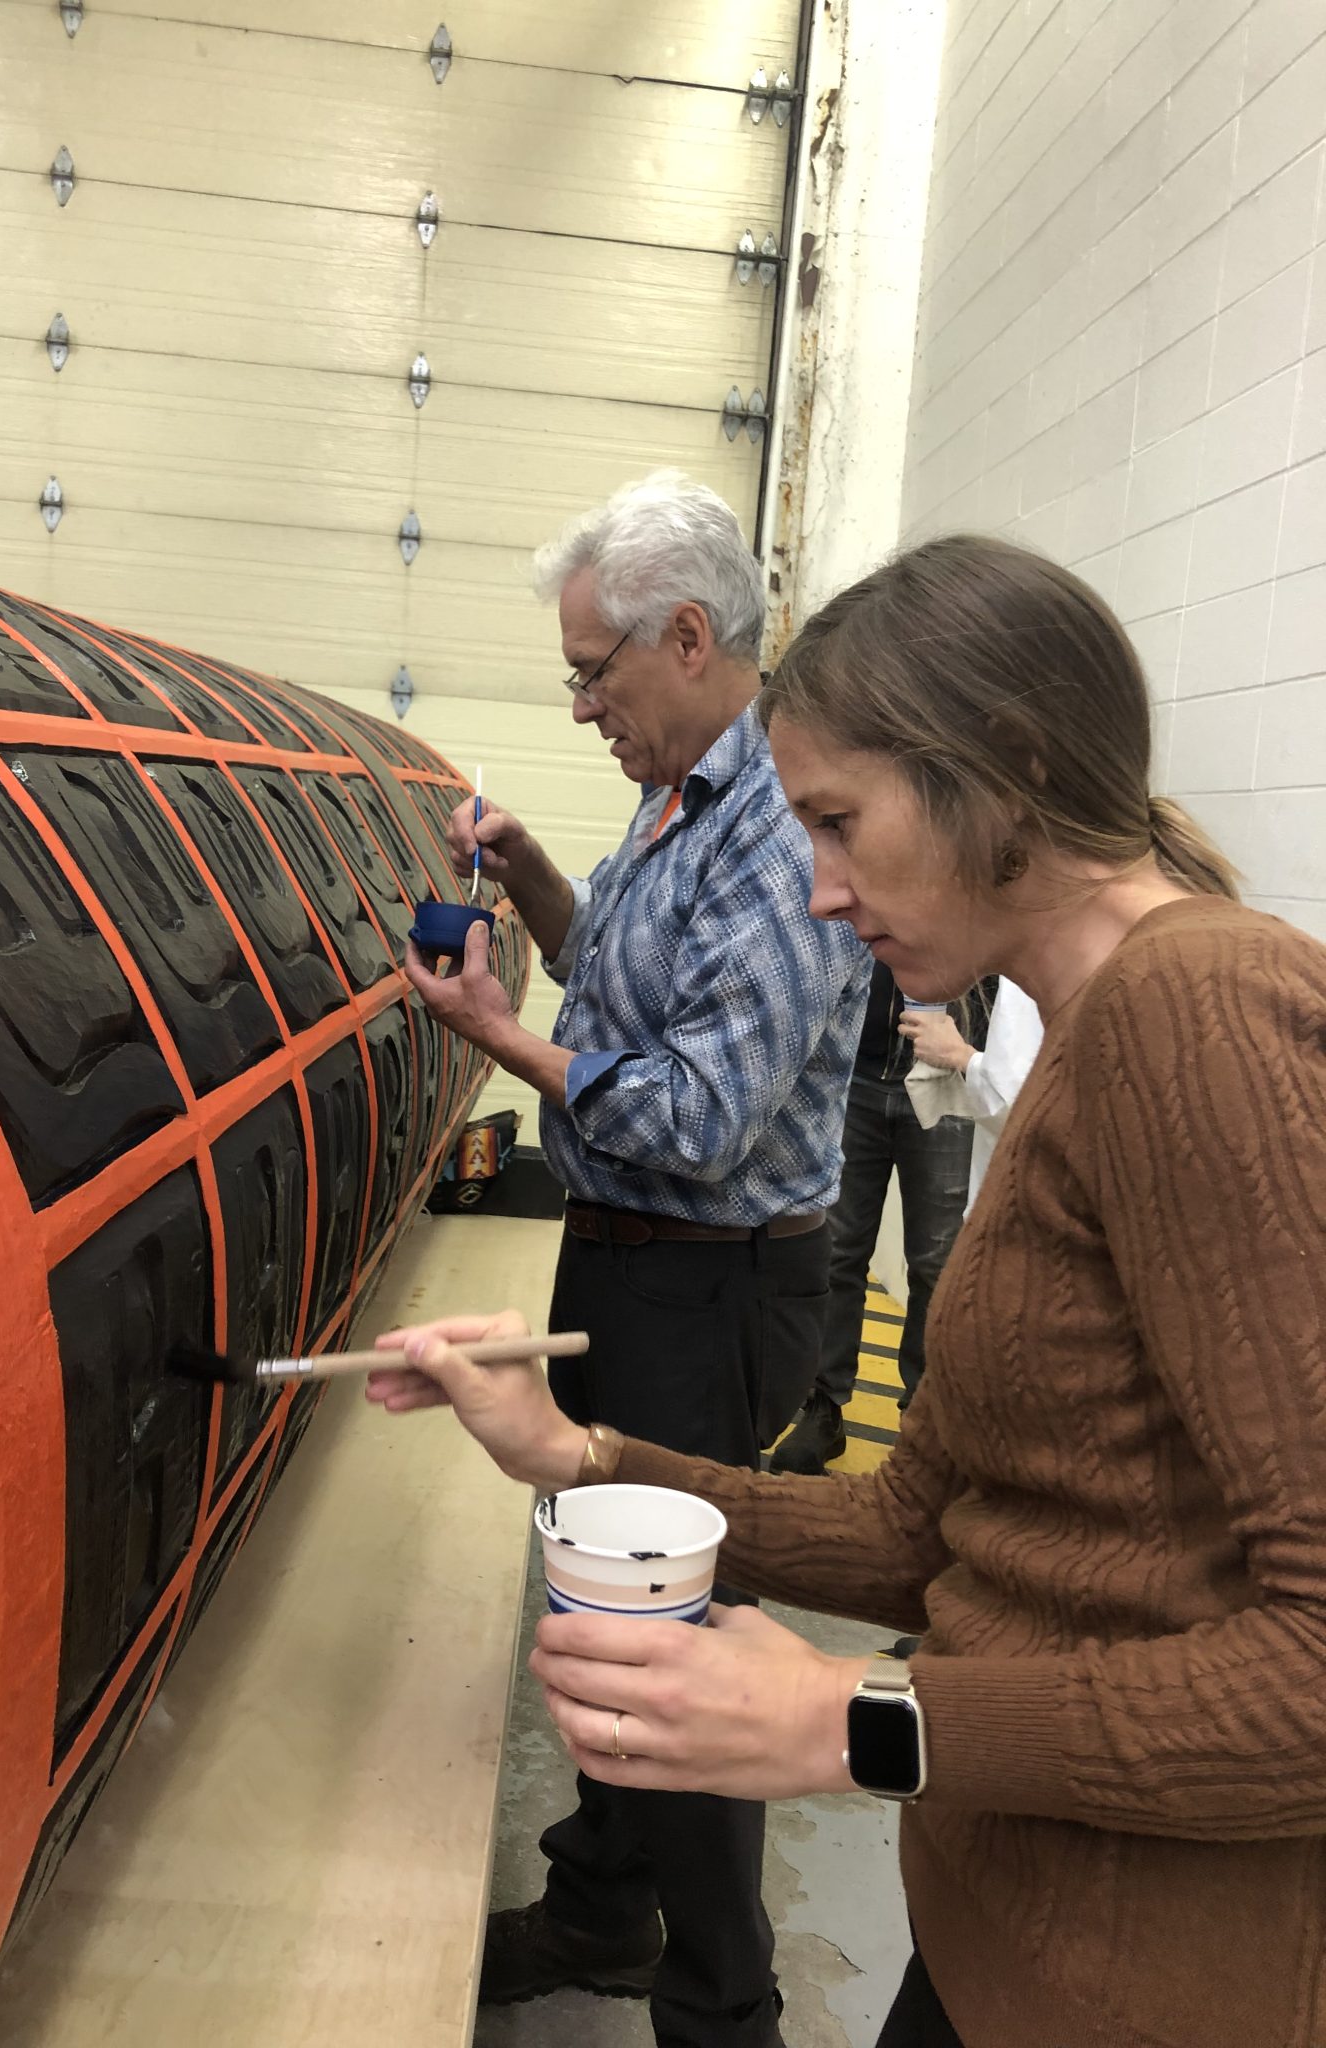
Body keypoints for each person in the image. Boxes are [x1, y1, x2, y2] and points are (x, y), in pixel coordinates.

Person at [371, 534, 1326, 2048]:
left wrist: (859, 1722)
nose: (816, 895)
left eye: (837, 823)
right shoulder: (1079, 1033)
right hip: (1003, 1928)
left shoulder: (1196, 1014)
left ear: (996, 777)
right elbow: (927, 1528)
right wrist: (581, 1455)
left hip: (1138, 1982)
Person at [401, 472, 869, 2048]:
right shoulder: (679, 792)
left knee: (673, 1640)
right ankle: (604, 1905)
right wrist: (534, 875)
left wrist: (497, 1040)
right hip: (626, 1262)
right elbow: (622, 962)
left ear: (688, 635)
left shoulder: (784, 821)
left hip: (712, 1280)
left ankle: (727, 2003)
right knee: (602, 1604)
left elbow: (704, 1111)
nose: (587, 702)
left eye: (595, 672)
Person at [769, 962, 984, 1476]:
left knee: (938, 1264)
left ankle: (923, 1424)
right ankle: (823, 1409)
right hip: (855, 1073)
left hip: (950, 1075)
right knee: (836, 1251)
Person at [898, 978, 1044, 1214]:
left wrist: (962, 1056)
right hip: (870, 1075)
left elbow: (1012, 1097)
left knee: (939, 1238)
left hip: (969, 1088)